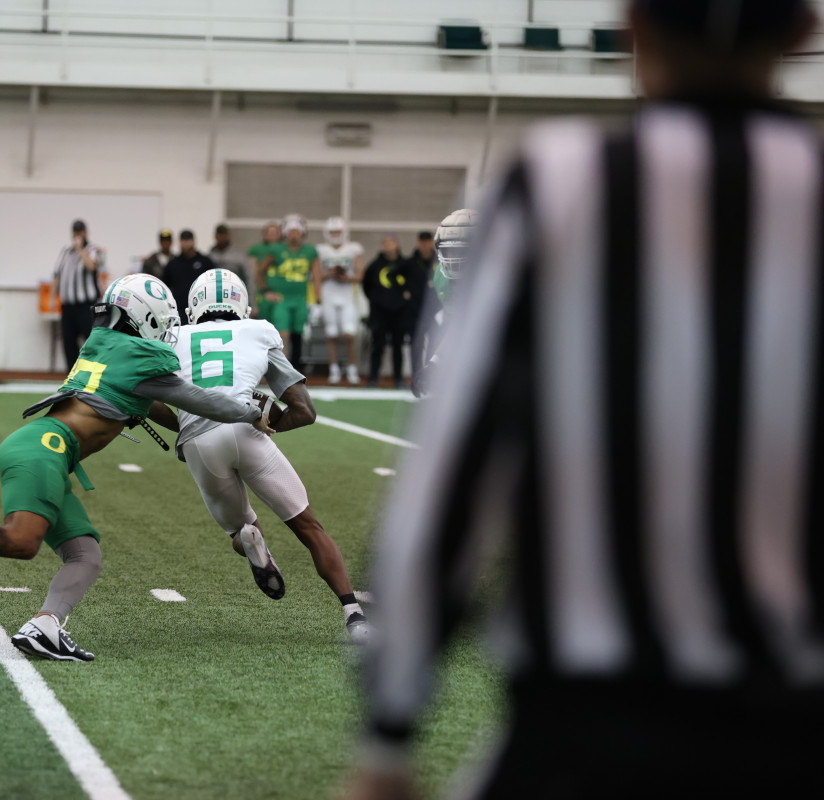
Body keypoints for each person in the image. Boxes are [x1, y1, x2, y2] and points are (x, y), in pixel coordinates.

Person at [351, 1, 824, 798]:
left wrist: (390, 731)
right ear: (803, 33)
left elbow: (453, 467)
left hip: (586, 722)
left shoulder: (558, 181)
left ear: (633, 26)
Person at [0, 273, 273, 662]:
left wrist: (190, 433)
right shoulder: (140, 361)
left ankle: (45, 626)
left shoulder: (104, 345)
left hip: (44, 447)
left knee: (85, 555)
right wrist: (251, 412)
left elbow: (159, 405)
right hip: (47, 448)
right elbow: (201, 401)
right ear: (149, 319)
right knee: (22, 541)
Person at [150, 269, 369, 642]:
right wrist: (271, 423)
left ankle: (250, 535)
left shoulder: (173, 338)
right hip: (247, 428)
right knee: (309, 528)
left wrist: (184, 424)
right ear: (242, 304)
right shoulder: (259, 330)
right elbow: (305, 411)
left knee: (239, 530)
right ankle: (355, 616)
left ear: (193, 307)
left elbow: (146, 399)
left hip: (199, 442)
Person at [259, 215, 320, 371]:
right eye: (291, 231)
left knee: (298, 334)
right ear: (286, 233)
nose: (294, 235)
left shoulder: (310, 251)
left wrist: (318, 299)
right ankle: (282, 369)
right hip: (282, 298)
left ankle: (297, 368)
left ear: (302, 233)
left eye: (297, 231)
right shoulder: (276, 249)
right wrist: (266, 291)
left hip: (301, 298)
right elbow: (260, 271)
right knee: (283, 334)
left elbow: (316, 276)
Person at [316, 216, 365, 385]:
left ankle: (352, 368)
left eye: (338, 232)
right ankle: (334, 369)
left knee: (349, 334)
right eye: (333, 232)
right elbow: (315, 276)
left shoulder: (353, 249)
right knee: (331, 334)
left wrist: (346, 277)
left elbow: (359, 275)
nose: (335, 235)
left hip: (347, 295)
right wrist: (330, 273)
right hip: (328, 295)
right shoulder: (321, 250)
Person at [54, 219, 106, 371]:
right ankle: (72, 375)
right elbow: (57, 274)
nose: (78, 235)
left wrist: (81, 249)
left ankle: (92, 373)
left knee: (90, 341)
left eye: (80, 232)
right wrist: (52, 297)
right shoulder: (65, 251)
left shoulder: (92, 250)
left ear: (85, 233)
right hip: (68, 306)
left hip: (86, 305)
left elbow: (91, 267)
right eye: (76, 232)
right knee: (68, 343)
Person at [360, 236, 413, 389]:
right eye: (385, 244)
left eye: (391, 243)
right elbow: (366, 285)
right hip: (379, 312)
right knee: (377, 345)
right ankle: (373, 378)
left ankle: (398, 379)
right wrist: (376, 300)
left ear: (397, 245)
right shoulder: (375, 265)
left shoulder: (406, 264)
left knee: (398, 346)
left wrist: (405, 298)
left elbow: (413, 282)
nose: (388, 246)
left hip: (400, 312)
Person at [162, 229, 215, 325]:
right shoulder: (173, 263)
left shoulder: (205, 262)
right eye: (183, 241)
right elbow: (165, 287)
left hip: (201, 308)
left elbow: (213, 284)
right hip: (179, 310)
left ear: (193, 241)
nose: (186, 244)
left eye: (188, 240)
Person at [408, 231, 437, 397]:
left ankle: (430, 377)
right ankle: (418, 377)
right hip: (416, 310)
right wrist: (405, 294)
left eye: (428, 241)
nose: (425, 245)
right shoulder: (412, 262)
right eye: (422, 241)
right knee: (417, 344)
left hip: (437, 310)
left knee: (435, 343)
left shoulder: (439, 262)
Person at [247, 221, 283, 321]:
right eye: (269, 232)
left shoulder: (285, 249)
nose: (272, 235)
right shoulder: (257, 249)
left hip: (282, 292)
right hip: (262, 292)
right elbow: (252, 272)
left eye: (275, 232)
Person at [208, 223, 251, 308]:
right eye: (219, 235)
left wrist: (250, 302)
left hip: (234, 295)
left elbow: (248, 277)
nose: (221, 237)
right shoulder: (211, 255)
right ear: (215, 236)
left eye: (223, 235)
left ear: (228, 235)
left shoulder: (238, 255)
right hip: (215, 297)